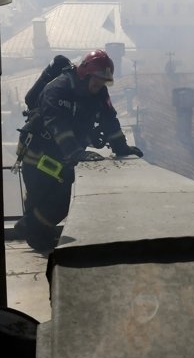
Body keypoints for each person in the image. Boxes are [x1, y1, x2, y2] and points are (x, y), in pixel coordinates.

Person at [14, 49, 143, 253]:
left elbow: (109, 119)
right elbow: (57, 123)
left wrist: (122, 147)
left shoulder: (99, 92)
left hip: (61, 157)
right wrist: (76, 153)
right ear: (84, 74)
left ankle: (34, 229)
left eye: (103, 82)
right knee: (47, 200)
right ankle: (32, 231)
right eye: (97, 81)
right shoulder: (58, 88)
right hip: (38, 157)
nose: (99, 86)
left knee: (60, 200)